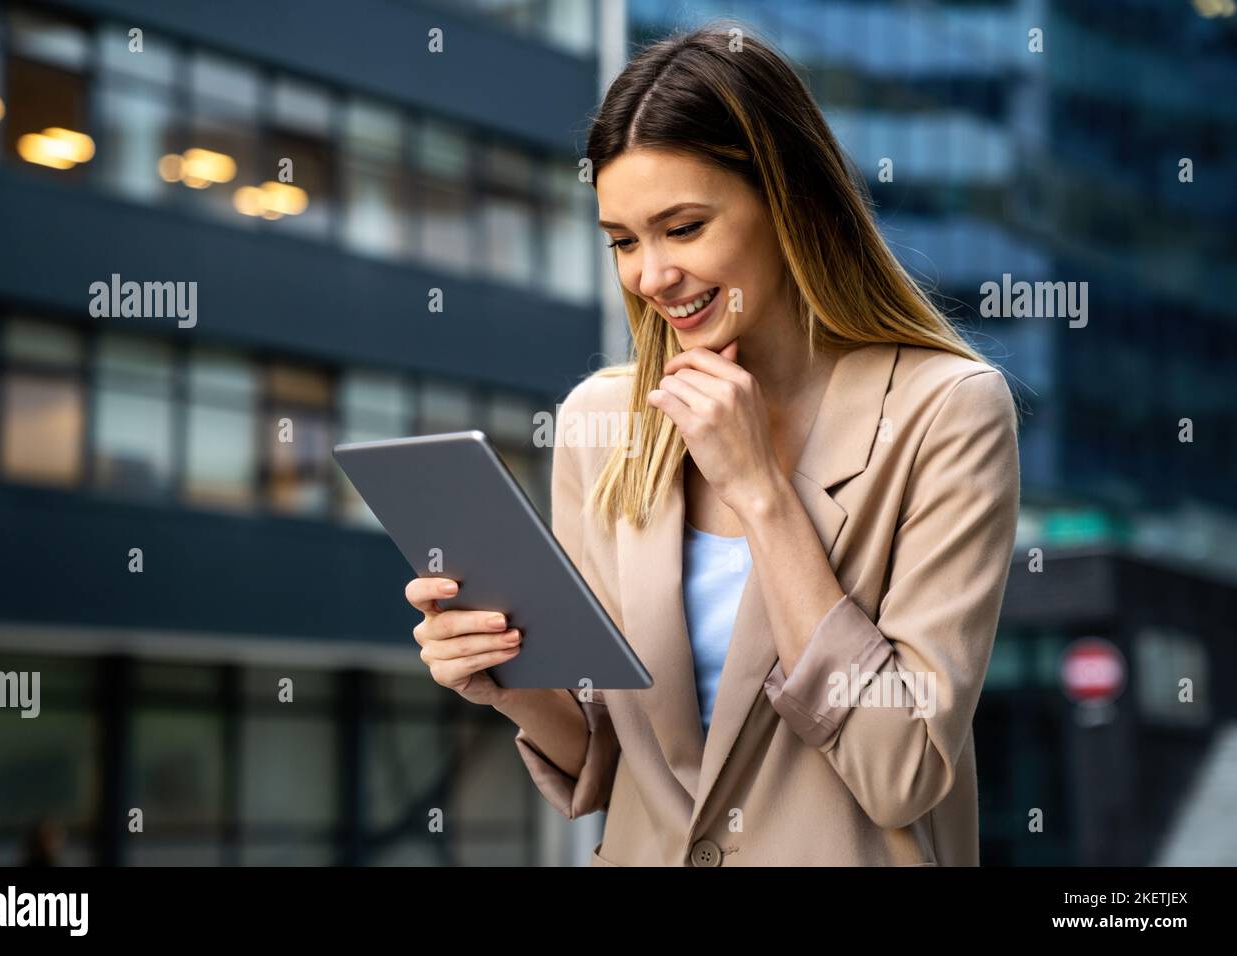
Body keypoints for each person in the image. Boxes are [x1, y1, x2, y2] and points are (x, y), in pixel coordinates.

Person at [404, 20, 1021, 866]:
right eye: (623, 241)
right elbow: (609, 755)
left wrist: (762, 492)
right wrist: (505, 682)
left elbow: (903, 770)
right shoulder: (602, 423)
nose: (650, 275)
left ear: (788, 201)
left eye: (683, 228)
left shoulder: (944, 412)